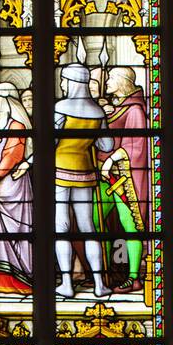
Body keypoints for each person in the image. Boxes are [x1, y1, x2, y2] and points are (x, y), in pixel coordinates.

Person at [54, 62, 112, 298]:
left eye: (63, 80)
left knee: (60, 228)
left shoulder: (61, 107)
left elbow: (51, 142)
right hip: (85, 172)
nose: (61, 84)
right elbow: (107, 145)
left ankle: (67, 283)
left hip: (58, 170)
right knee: (88, 227)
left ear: (71, 82)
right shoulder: (97, 111)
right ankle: (99, 284)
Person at [97, 65, 148, 292]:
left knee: (131, 226)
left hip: (124, 180)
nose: (107, 82)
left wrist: (110, 161)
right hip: (107, 178)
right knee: (96, 221)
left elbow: (135, 144)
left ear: (122, 81)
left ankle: (134, 277)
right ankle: (105, 273)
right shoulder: (119, 108)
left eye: (110, 78)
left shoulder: (135, 110)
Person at [0, 83, 33, 293]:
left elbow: (13, 155)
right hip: (0, 183)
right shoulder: (5, 123)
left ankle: (16, 280)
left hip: (9, 187)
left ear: (8, 100)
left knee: (12, 230)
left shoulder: (17, 125)